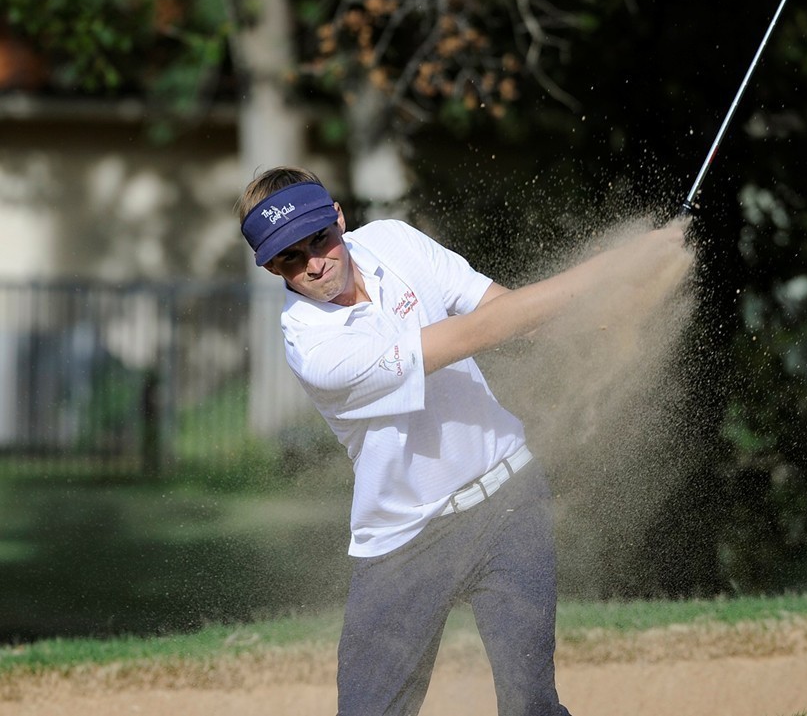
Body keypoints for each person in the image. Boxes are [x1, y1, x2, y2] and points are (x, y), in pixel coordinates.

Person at [238, 166, 685, 716]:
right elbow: (480, 333)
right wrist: (613, 265)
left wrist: (607, 311)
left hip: (509, 500)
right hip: (405, 537)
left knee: (531, 706)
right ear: (271, 267)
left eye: (319, 239)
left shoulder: (392, 241)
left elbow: (506, 312)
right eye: (290, 258)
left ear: (339, 217)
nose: (314, 263)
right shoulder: (318, 351)